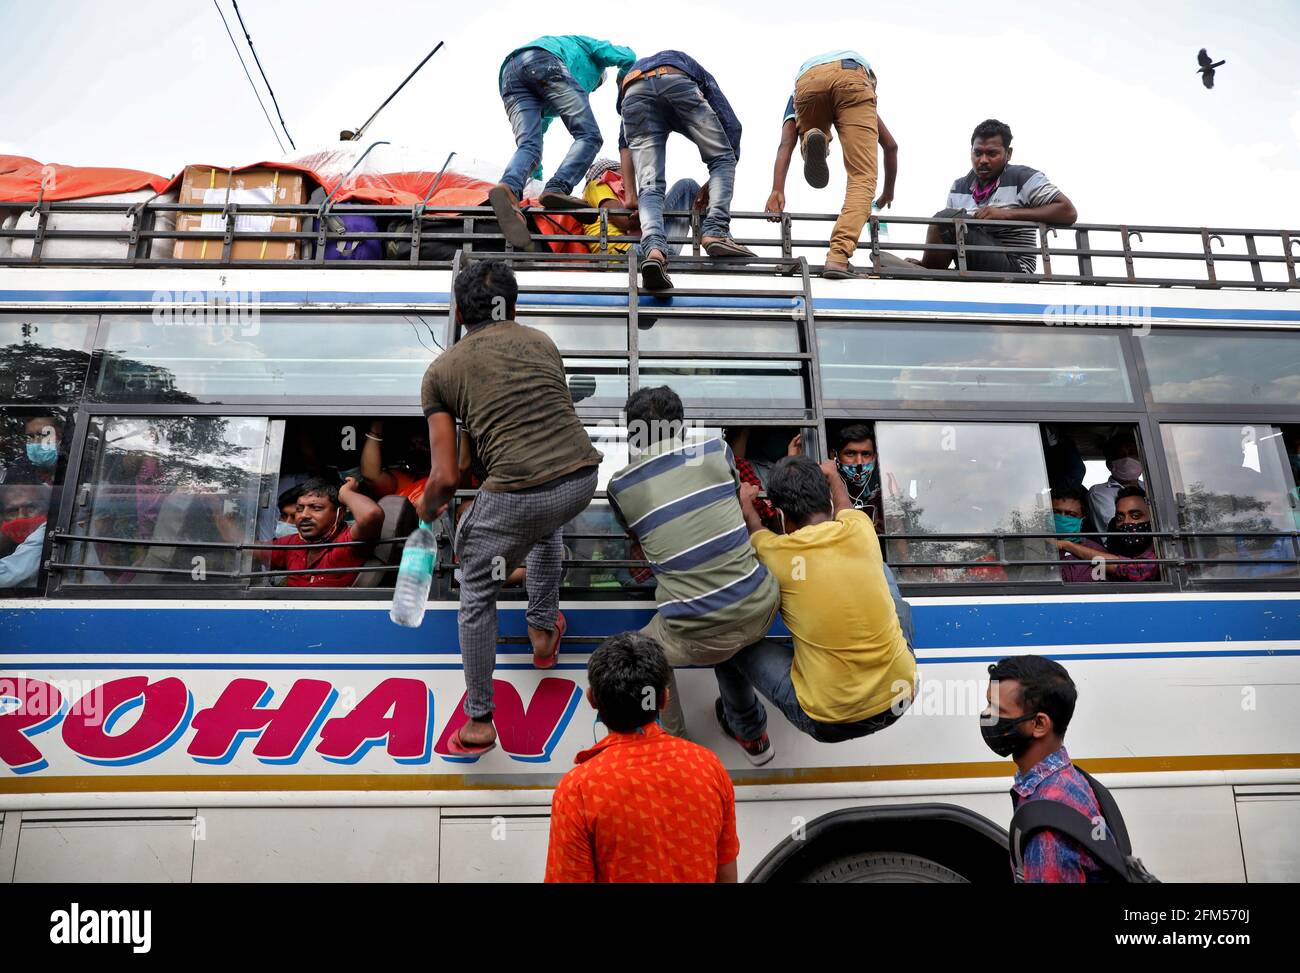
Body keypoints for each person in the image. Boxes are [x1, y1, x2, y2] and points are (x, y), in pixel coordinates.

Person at [418, 260, 601, 755]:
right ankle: (543, 628)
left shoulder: (441, 372)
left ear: (459, 312)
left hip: (520, 491)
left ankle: (479, 720)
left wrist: (424, 510)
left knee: (475, 589)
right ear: (513, 306)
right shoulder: (541, 341)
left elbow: (446, 477)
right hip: (581, 478)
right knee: (545, 524)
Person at [605, 386, 781, 755]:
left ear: (634, 434)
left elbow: (637, 539)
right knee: (723, 631)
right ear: (681, 427)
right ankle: (750, 732)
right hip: (764, 607)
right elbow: (730, 499)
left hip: (700, 635)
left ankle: (676, 744)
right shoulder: (718, 451)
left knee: (641, 651)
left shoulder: (621, 486)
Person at [717, 455, 916, 751]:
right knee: (880, 568)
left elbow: (754, 528)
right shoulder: (860, 529)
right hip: (902, 692)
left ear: (782, 516)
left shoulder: (774, 553)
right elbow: (845, 505)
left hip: (828, 721)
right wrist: (833, 475)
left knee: (724, 641)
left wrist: (746, 502)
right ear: (828, 502)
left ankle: (750, 733)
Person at [544, 631, 740, 883]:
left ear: (592, 699)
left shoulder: (579, 789)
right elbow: (726, 874)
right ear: (664, 699)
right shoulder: (707, 767)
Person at [616, 50, 753, 291]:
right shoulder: (688, 64)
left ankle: (655, 250)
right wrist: (718, 176)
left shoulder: (635, 74)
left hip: (632, 94)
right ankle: (715, 230)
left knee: (651, 186)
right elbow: (732, 125)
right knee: (722, 158)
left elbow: (625, 144)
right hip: (676, 79)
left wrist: (631, 197)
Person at [490, 35, 637, 247]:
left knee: (529, 146)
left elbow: (535, 141)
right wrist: (623, 84)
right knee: (590, 136)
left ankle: (508, 190)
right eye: (594, 86)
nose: (590, 89)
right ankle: (557, 187)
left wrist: (537, 184)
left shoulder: (549, 102)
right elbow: (628, 56)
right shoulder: (592, 53)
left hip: (509, 77)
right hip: (545, 62)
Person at [764, 51, 897, 279]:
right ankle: (838, 257)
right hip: (852, 74)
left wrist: (777, 189)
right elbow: (891, 146)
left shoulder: (793, 94)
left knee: (809, 131)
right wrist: (887, 193)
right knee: (862, 177)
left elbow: (786, 142)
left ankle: (813, 138)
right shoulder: (857, 89)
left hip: (808, 79)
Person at [982, 654, 1109, 882]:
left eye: (997, 709)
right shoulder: (1069, 780)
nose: (986, 715)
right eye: (987, 704)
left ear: (1039, 724)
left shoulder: (1048, 829)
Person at [913, 119, 1077, 274]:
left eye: (992, 154)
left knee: (946, 219)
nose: (983, 160)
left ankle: (926, 272)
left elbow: (1067, 212)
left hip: (1014, 265)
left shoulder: (1022, 178)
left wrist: (1006, 214)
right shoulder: (959, 187)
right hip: (969, 263)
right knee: (948, 221)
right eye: (978, 153)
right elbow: (948, 238)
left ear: (1008, 154)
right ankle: (928, 274)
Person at [266, 476, 382, 587]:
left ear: (340, 513)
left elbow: (372, 514)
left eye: (316, 508)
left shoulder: (347, 541)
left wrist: (346, 493)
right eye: (299, 509)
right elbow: (253, 552)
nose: (304, 515)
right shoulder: (294, 542)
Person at [578, 156, 705, 256]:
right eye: (623, 173)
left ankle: (716, 244)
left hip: (639, 249)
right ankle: (716, 236)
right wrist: (647, 212)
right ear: (610, 172)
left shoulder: (613, 194)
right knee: (687, 186)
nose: (627, 180)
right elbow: (624, 222)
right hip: (625, 252)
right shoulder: (597, 185)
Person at [1056, 486, 1158, 582]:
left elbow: (1134, 569)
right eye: (1119, 518)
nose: (1126, 522)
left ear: (1152, 519)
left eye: (1135, 516)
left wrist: (1067, 545)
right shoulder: (1116, 549)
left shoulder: (1163, 548)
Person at [360, 418, 431, 507]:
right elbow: (371, 475)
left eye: (424, 445)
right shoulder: (400, 479)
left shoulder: (446, 477)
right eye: (412, 446)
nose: (418, 448)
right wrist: (377, 424)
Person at [830, 423, 883, 531]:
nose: (859, 462)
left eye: (866, 454)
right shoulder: (824, 490)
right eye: (850, 454)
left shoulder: (884, 485)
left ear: (875, 456)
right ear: (834, 455)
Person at [0, 478, 51, 589]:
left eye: (31, 508)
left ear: (46, 510)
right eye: (12, 511)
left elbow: (9, 575)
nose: (21, 517)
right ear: (2, 517)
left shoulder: (49, 534)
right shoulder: (5, 544)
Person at [1050, 483, 1106, 582]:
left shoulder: (1097, 553)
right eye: (1056, 512)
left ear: (1082, 520)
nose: (1062, 518)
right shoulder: (1033, 547)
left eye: (1070, 515)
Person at [1088, 432, 1143, 531]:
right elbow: (1120, 528)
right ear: (1109, 465)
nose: (1128, 459)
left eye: (1132, 453)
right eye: (1121, 456)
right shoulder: (1099, 493)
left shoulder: (1149, 488)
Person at [3, 414, 63, 485]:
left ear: (60, 435)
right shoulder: (17, 469)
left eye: (44, 435)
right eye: (30, 436)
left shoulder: (76, 465)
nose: (36, 442)